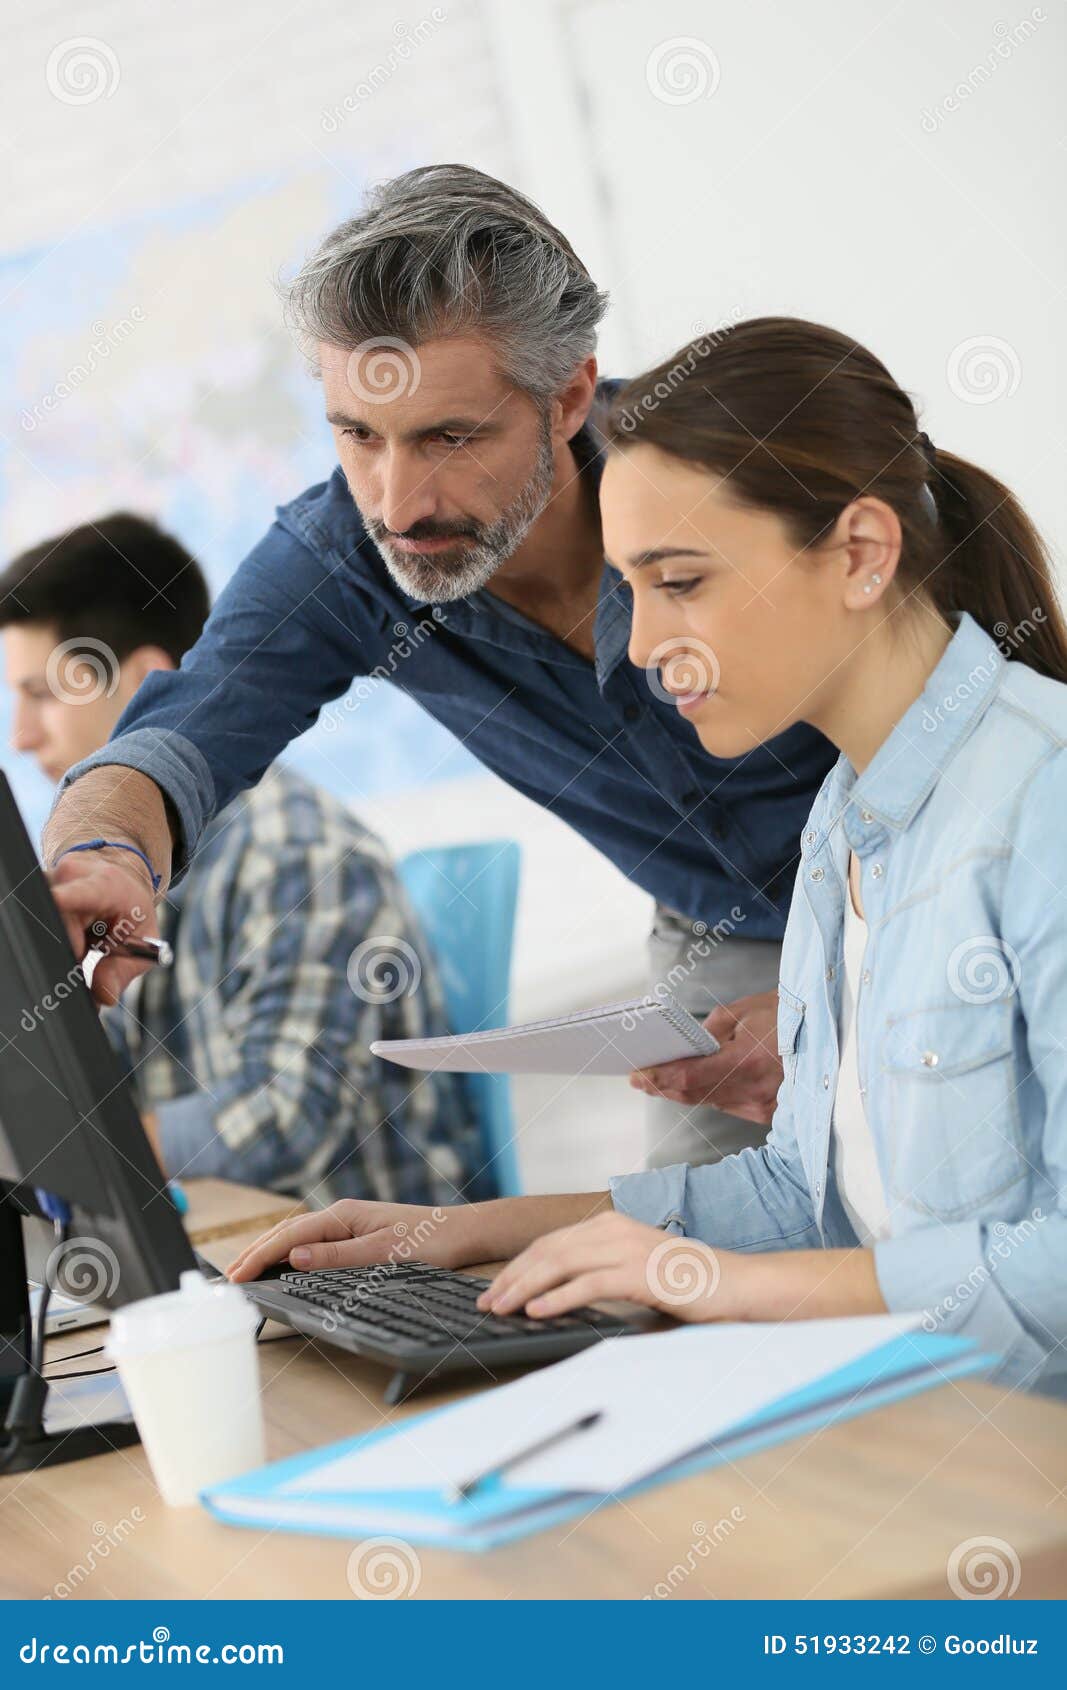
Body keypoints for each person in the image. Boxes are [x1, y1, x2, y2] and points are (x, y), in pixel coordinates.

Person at [228, 317, 1067, 1397]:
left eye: (679, 582)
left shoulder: (1038, 800)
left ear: (859, 553)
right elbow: (804, 1194)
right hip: (930, 1435)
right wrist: (473, 1230)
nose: (634, 647)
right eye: (630, 587)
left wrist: (709, 1280)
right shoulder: (841, 825)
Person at [38, 164, 837, 1171]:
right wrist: (104, 853)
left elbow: (981, 763)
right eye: (357, 436)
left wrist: (844, 995)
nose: (398, 503)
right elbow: (177, 737)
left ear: (567, 396)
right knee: (685, 1271)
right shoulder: (343, 556)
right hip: (716, 939)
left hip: (924, 886)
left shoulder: (737, 474)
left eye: (448, 437)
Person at [0, 514, 483, 1206]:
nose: (18, 736)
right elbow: (98, 1081)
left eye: (42, 695)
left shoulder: (298, 852)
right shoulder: (119, 875)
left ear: (141, 687)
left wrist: (84, 1149)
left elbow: (288, 1118)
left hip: (368, 1273)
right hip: (230, 1258)